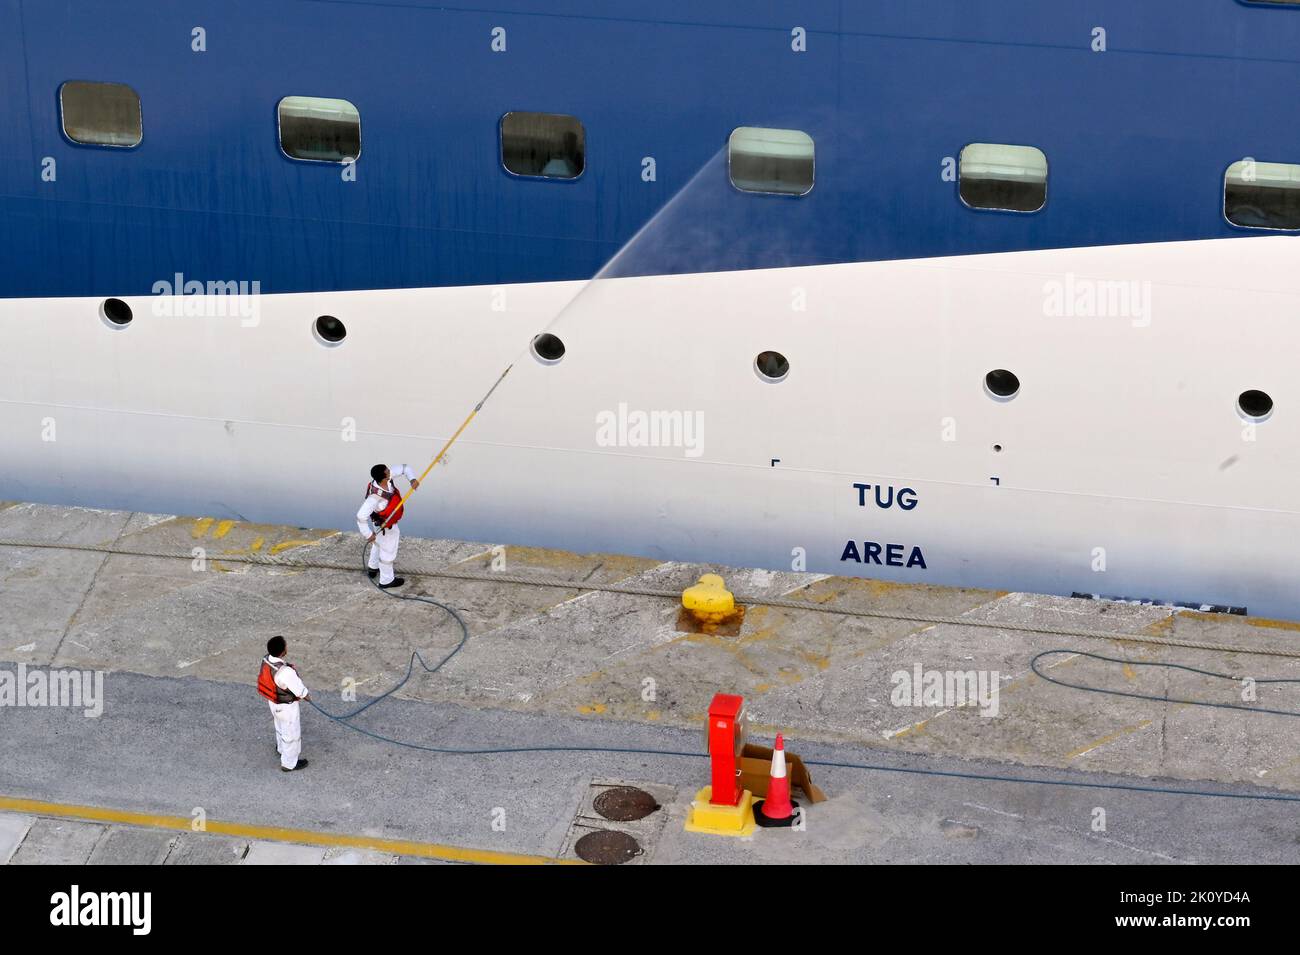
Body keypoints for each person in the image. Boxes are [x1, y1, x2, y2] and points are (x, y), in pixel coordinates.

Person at [357, 463, 419, 589]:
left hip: (379, 525)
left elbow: (404, 468)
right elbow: (360, 517)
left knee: (378, 544)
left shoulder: (386, 479)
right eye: (388, 471)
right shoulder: (374, 497)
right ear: (384, 478)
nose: (390, 471)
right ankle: (386, 581)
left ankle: (373, 568)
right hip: (386, 527)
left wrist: (412, 479)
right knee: (388, 552)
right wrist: (368, 534)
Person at [256, 635, 310, 772]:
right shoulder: (285, 672)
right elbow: (300, 690)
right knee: (291, 733)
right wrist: (307, 696)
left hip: (273, 702)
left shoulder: (267, 660)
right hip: (286, 707)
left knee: (279, 725)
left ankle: (281, 748)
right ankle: (289, 763)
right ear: (282, 651)